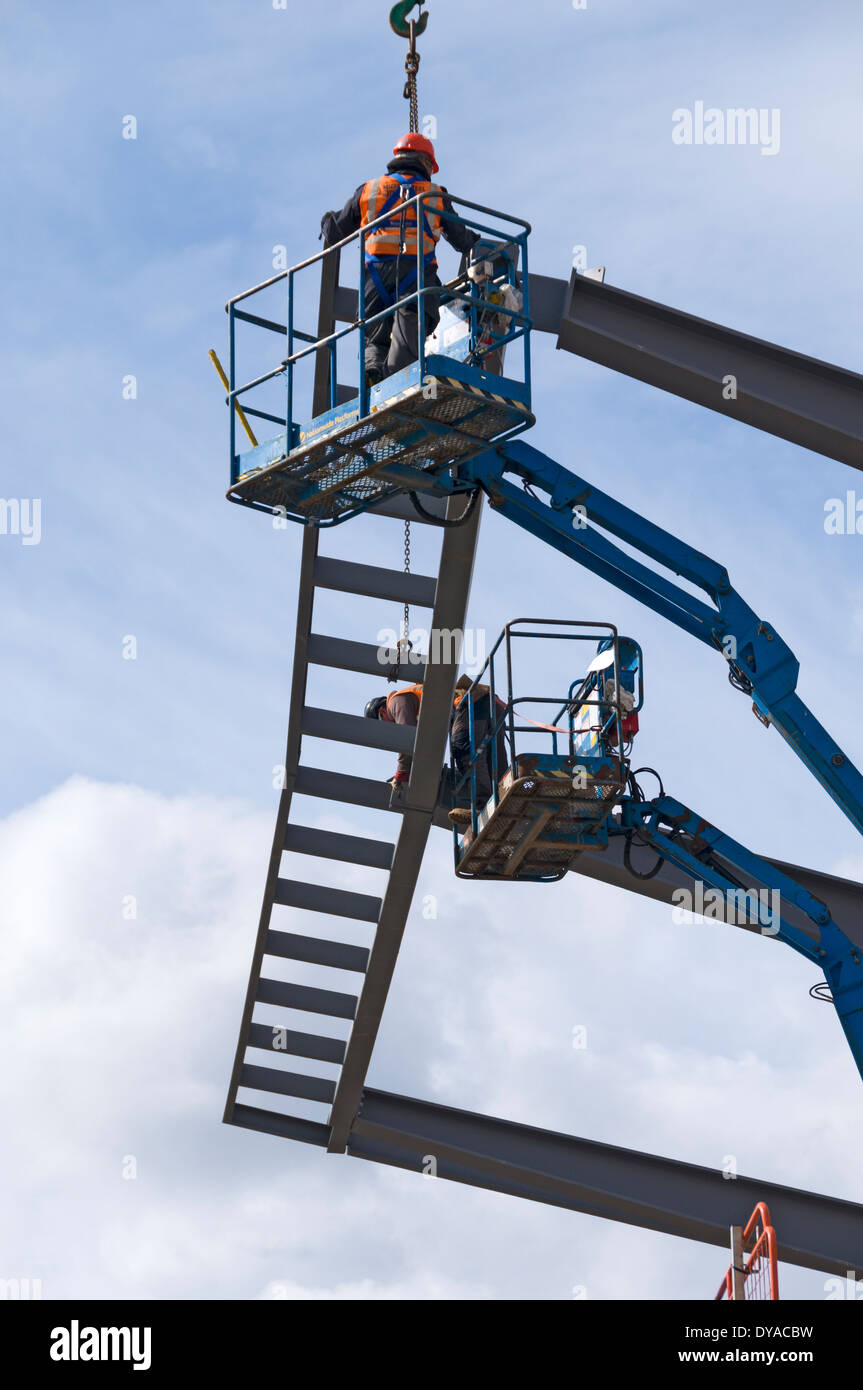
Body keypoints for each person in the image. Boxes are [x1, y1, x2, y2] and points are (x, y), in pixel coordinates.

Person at [320, 134, 479, 385]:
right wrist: (480, 244)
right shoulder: (434, 195)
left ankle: (374, 371)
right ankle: (398, 380)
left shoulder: (369, 190)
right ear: (425, 163)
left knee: (375, 333)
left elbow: (334, 232)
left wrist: (328, 220)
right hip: (415, 275)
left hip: (375, 278)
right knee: (415, 319)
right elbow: (462, 240)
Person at [449, 674, 508, 827]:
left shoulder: (398, 703)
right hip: (493, 704)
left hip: (473, 704)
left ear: (381, 711)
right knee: (494, 753)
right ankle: (503, 795)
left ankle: (481, 805)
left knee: (465, 751)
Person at [365, 683, 423, 790]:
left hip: (457, 703)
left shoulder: (396, 702)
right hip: (454, 708)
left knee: (461, 752)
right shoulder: (400, 704)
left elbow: (406, 737)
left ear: (382, 712)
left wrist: (402, 773)